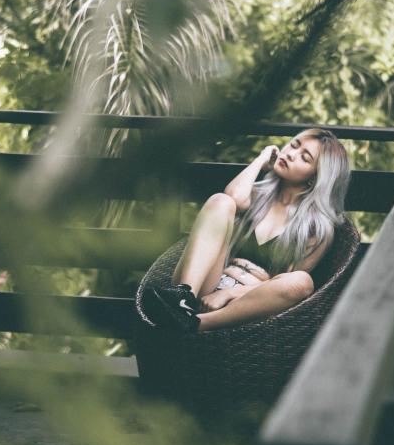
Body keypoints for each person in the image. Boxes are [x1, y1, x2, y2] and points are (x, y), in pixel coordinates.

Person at [143, 128, 351, 333]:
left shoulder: (316, 229)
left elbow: (287, 286)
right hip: (205, 286)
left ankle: (198, 323)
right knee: (221, 201)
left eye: (304, 158)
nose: (291, 153)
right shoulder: (253, 195)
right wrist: (261, 159)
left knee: (302, 281)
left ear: (314, 178)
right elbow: (233, 197)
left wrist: (229, 294)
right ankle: (181, 298)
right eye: (294, 144)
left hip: (245, 304)